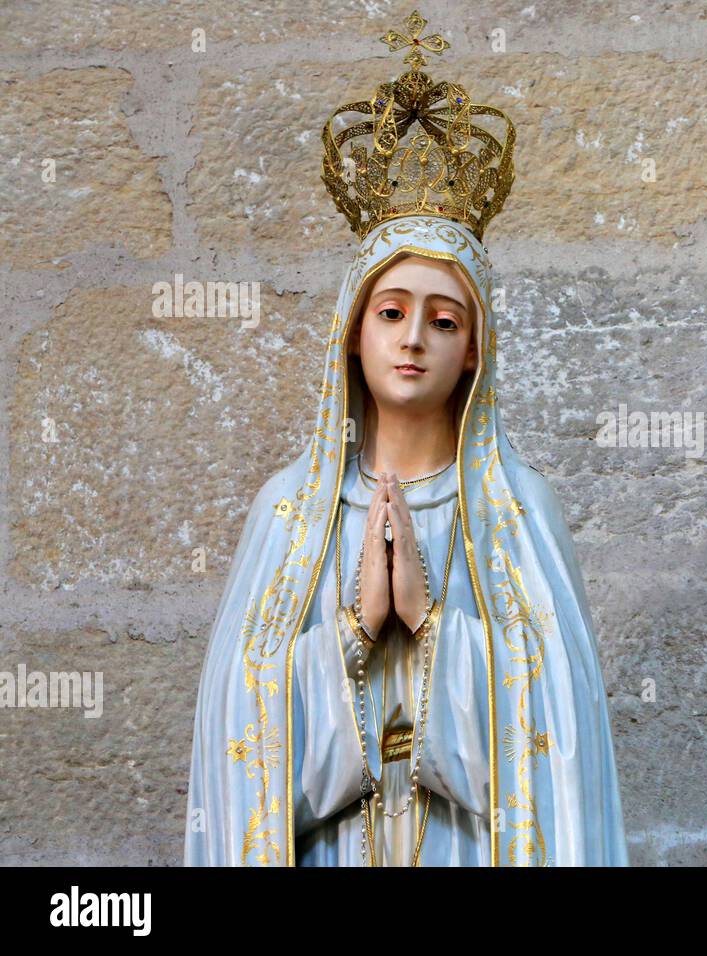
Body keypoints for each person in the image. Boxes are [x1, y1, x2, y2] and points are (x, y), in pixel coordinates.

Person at [183, 11, 628, 866]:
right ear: (354, 331)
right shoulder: (287, 511)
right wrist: (354, 632)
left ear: (475, 352)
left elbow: (562, 760)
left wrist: (429, 624)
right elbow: (237, 750)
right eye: (391, 312)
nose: (414, 337)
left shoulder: (518, 510)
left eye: (444, 318)